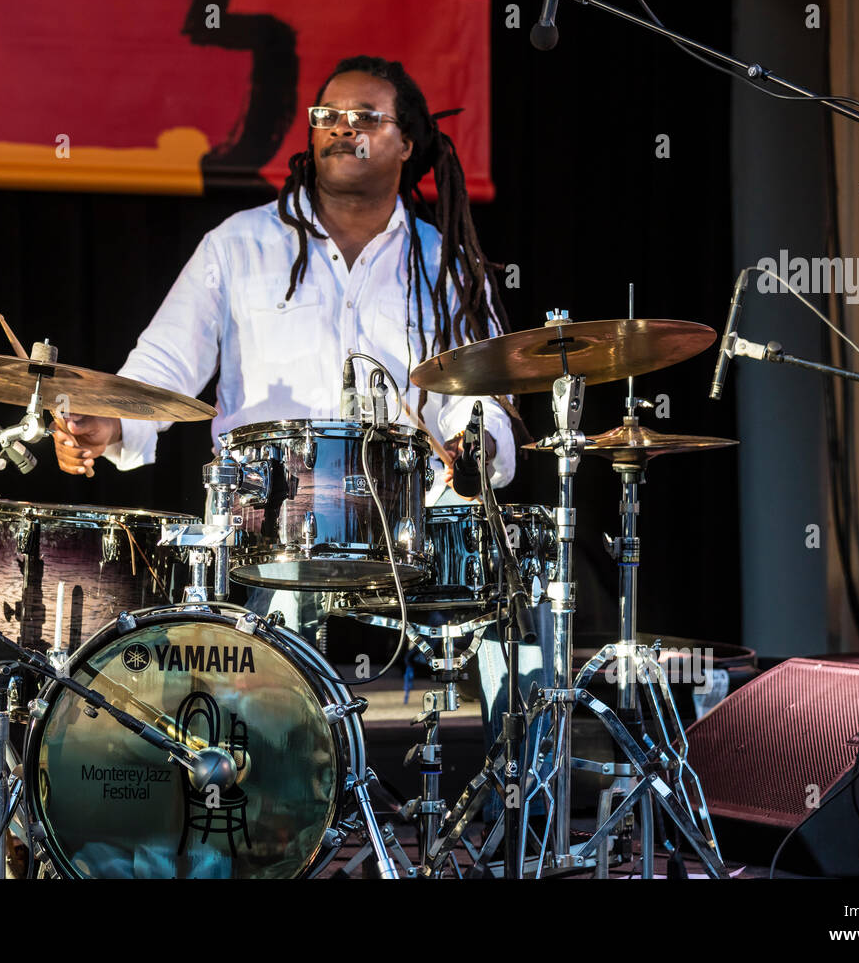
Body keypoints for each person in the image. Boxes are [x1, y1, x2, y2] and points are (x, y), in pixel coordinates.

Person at [51, 55, 541, 790]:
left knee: (512, 599)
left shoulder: (444, 264)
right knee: (270, 654)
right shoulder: (238, 246)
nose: (343, 130)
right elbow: (160, 370)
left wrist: (475, 448)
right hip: (271, 528)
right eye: (327, 117)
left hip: (407, 532)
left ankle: (513, 803)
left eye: (366, 118)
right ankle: (274, 812)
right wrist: (111, 426)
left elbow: (485, 405)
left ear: (408, 143)